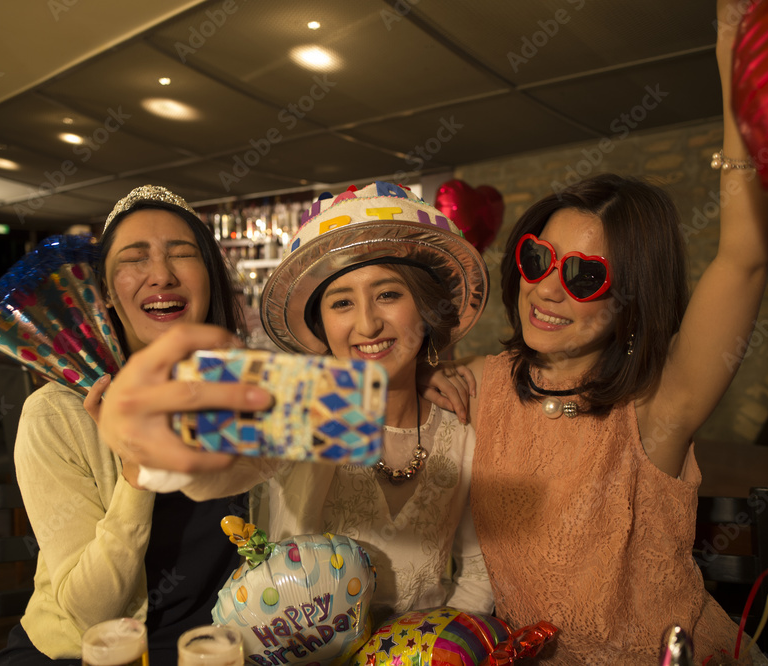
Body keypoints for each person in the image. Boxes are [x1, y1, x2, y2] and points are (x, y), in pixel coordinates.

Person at [454, 2, 768, 663]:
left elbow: (747, 255)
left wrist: (735, 52)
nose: (547, 287)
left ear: (633, 302)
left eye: (584, 275)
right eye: (538, 260)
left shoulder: (657, 411)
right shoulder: (481, 384)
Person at [98, 181, 495, 620]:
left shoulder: (461, 427)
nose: (367, 324)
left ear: (424, 308)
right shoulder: (305, 410)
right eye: (342, 303)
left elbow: (478, 577)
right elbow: (218, 477)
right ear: (321, 327)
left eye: (388, 295)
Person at [0, 185, 260, 665]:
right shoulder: (56, 414)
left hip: (213, 649)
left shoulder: (245, 393)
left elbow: (353, 418)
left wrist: (421, 375)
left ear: (210, 280)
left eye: (183, 255)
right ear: (107, 296)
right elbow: (93, 614)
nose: (161, 274)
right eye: (135, 259)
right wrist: (136, 469)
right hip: (90, 652)